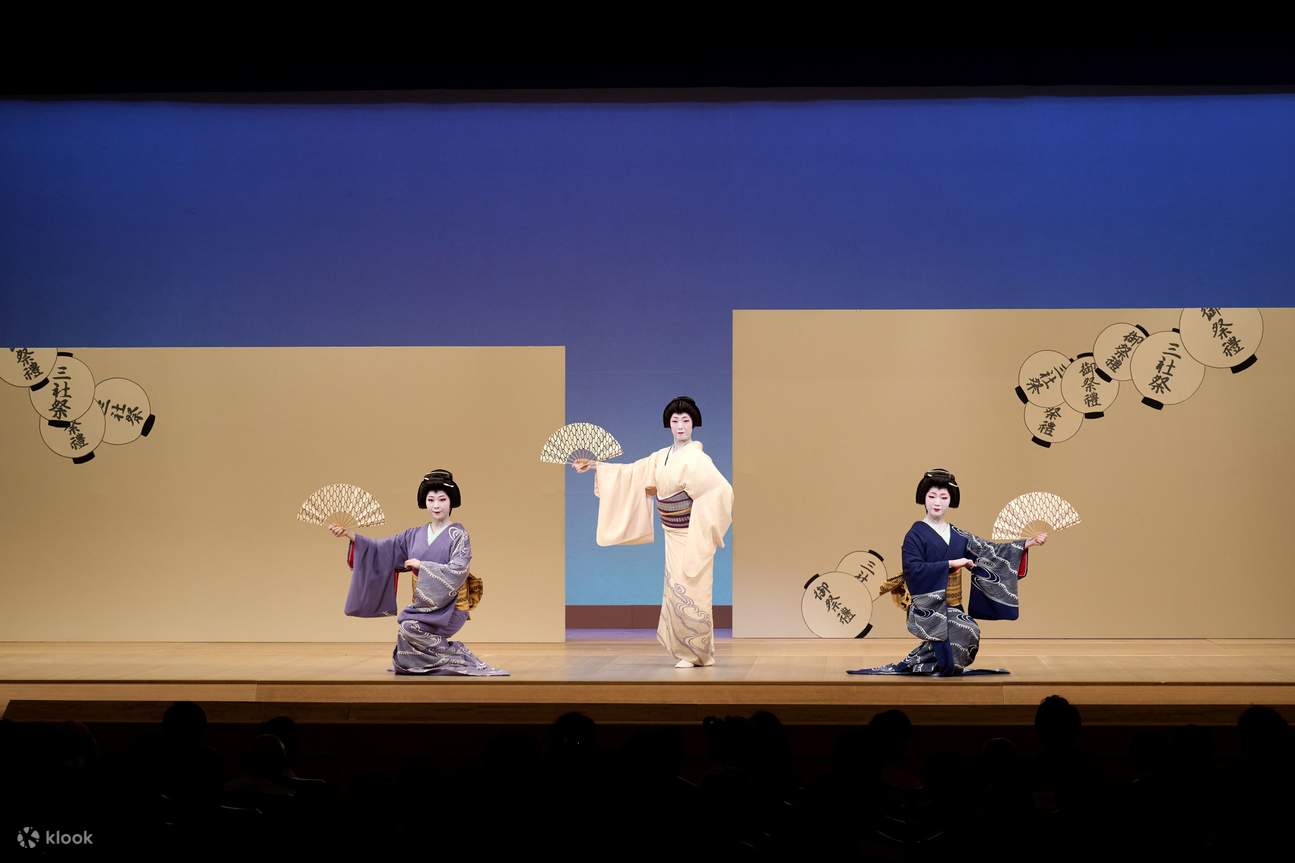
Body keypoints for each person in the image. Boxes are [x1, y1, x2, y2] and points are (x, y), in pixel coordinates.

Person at [575, 397, 733, 668]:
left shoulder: (698, 459)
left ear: (694, 423)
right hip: (672, 534)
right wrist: (595, 466)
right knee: (676, 590)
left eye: (685, 420)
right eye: (675, 421)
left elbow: (721, 492)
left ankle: (698, 653)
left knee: (694, 591)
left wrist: (702, 523)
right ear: (668, 425)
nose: (680, 426)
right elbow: (634, 473)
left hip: (692, 534)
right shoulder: (661, 457)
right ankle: (689, 652)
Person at [849, 468, 1045, 676]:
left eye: (944, 497)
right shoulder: (915, 535)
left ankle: (923, 663)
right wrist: (952, 563)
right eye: (932, 496)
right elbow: (913, 569)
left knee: (967, 632)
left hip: (953, 604)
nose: (937, 502)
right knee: (963, 629)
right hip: (929, 604)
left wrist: (1026, 543)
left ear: (950, 501)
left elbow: (991, 552)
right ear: (923, 499)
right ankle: (937, 665)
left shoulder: (958, 535)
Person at [329, 469, 507, 676]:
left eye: (442, 499)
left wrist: (423, 566)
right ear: (425, 502)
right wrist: (351, 536)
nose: (436, 505)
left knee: (409, 629)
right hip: (422, 607)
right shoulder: (414, 534)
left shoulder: (459, 535)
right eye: (431, 500)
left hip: (450, 607)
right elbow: (382, 549)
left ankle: (457, 655)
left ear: (451, 502)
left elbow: (458, 570)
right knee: (406, 633)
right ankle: (431, 661)